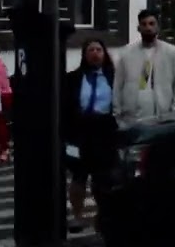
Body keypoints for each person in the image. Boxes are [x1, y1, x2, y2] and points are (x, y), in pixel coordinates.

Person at [64, 39, 118, 233]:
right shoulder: (73, 78)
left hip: (104, 130)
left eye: (98, 50)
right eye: (90, 50)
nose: (95, 53)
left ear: (104, 53)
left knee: (103, 178)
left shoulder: (114, 77)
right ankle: (77, 215)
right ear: (84, 55)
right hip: (80, 131)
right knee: (78, 176)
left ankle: (101, 216)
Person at [113, 9, 175, 121]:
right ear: (139, 28)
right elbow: (118, 84)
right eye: (144, 24)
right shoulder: (126, 53)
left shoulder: (172, 52)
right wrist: (117, 111)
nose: (148, 28)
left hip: (164, 116)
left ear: (158, 27)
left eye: (152, 24)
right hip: (132, 117)